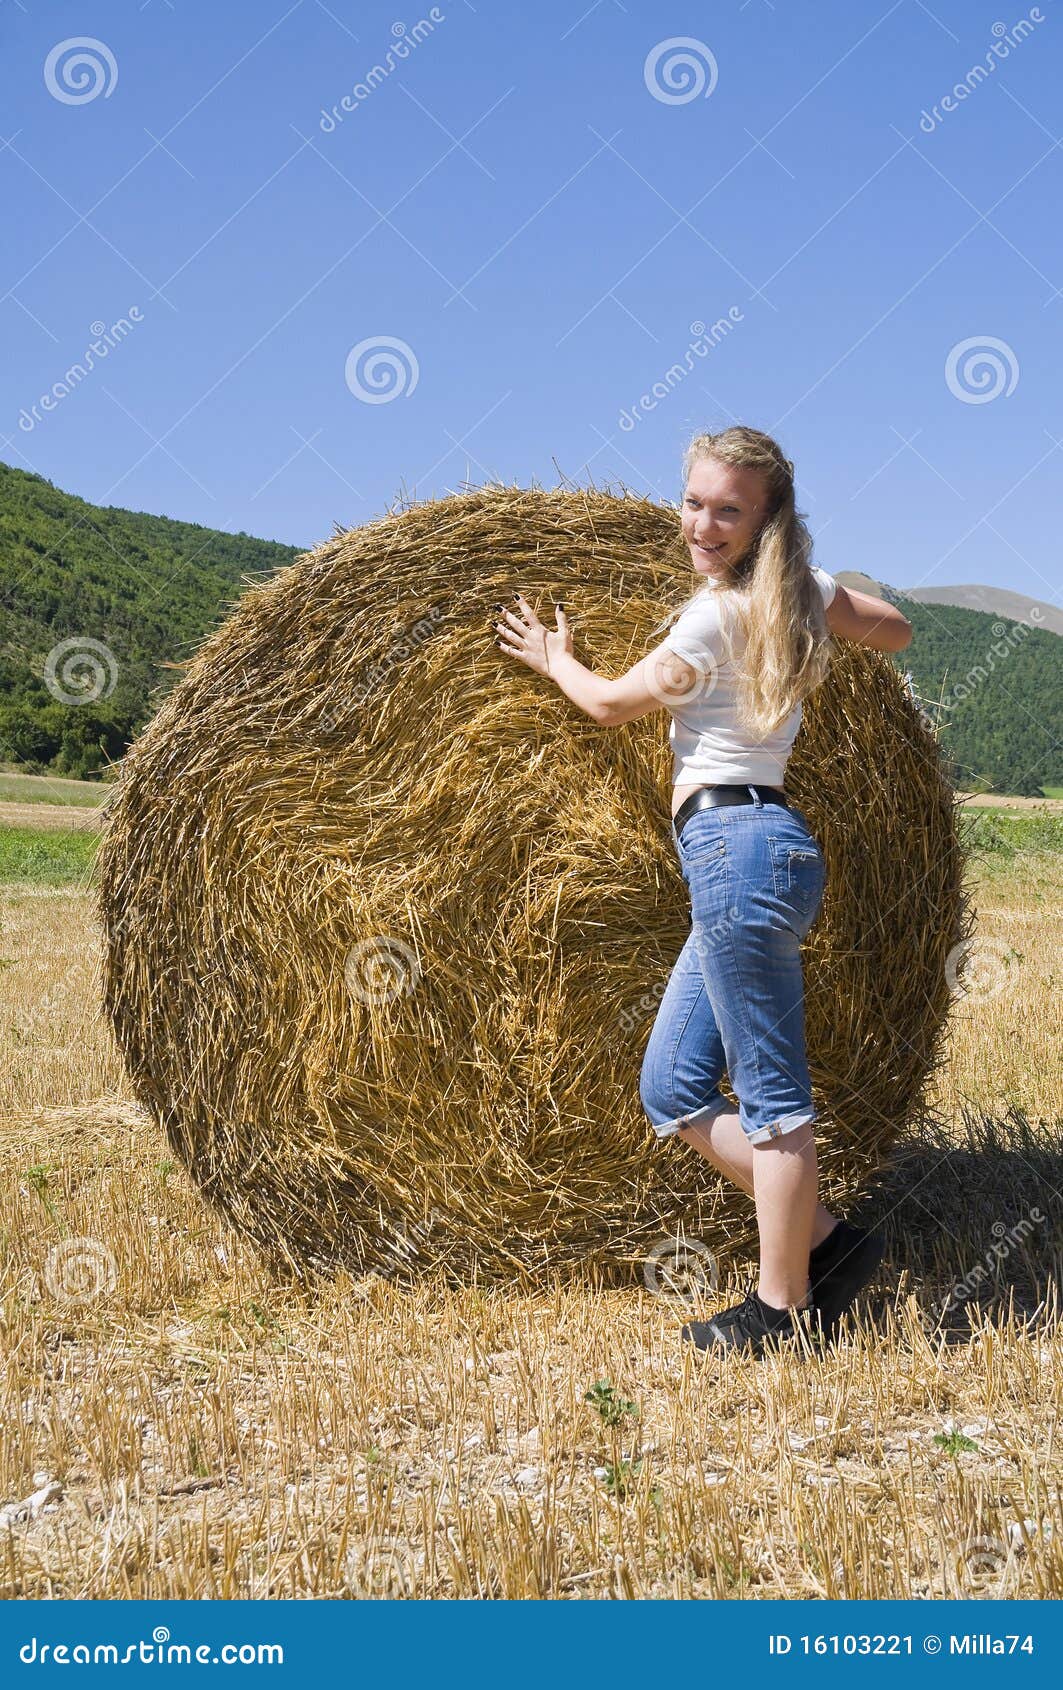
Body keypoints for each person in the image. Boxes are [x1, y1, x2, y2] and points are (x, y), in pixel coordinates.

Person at [493, 425, 913, 1357]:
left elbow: (605, 704)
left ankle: (780, 1311)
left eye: (729, 510)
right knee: (671, 1088)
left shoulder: (711, 619)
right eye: (694, 502)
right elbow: (896, 630)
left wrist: (553, 658)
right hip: (764, 852)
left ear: (764, 519)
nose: (703, 524)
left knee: (772, 1100)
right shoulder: (795, 598)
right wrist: (814, 592)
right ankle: (829, 1245)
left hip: (736, 852)